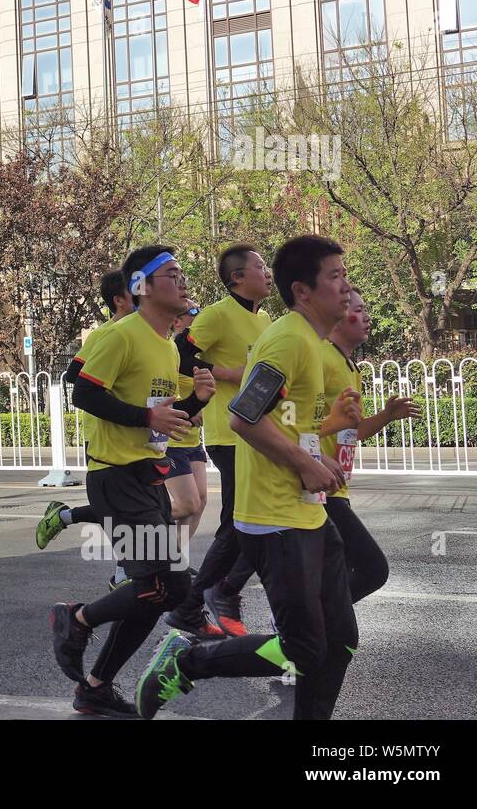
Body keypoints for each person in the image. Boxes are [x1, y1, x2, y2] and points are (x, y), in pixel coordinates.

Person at [136, 235, 359, 721]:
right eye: (336, 278)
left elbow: (290, 422)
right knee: (305, 649)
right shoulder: (287, 340)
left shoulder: (309, 340)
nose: (347, 289)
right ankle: (188, 660)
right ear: (303, 290)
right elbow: (243, 417)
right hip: (273, 519)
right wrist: (305, 465)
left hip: (307, 512)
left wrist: (322, 456)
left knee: (339, 643)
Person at [47, 246, 214, 717]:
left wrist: (196, 401)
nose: (183, 283)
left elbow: (159, 422)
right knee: (166, 586)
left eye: (183, 274)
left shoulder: (164, 345)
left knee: (164, 590)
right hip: (115, 478)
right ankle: (75, 618)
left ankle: (95, 686)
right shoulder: (120, 336)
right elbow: (82, 392)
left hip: (149, 478)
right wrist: (147, 414)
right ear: (142, 286)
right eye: (173, 275)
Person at [165, 244, 275, 638]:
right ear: (236, 278)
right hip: (230, 434)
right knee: (238, 523)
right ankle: (206, 598)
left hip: (260, 433)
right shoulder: (216, 315)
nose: (267, 272)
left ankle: (200, 602)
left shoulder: (267, 321)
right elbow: (179, 354)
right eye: (260, 266)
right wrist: (228, 372)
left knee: (251, 521)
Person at [319, 289, 419, 602]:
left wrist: (387, 416)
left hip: (336, 487)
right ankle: (304, 623)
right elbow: (285, 423)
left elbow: (354, 430)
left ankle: (307, 626)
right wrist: (317, 458)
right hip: (315, 486)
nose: (367, 317)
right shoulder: (320, 358)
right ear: (337, 315)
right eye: (359, 310)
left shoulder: (349, 366)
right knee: (372, 568)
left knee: (336, 569)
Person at [36, 269, 135, 550]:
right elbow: (73, 376)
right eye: (135, 290)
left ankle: (65, 517)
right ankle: (129, 572)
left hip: (147, 438)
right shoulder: (104, 335)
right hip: (105, 434)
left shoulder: (154, 335)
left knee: (139, 507)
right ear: (119, 300)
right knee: (117, 506)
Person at [164, 301, 210, 554]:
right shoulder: (170, 352)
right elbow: (162, 397)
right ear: (177, 321)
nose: (198, 316)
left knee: (201, 501)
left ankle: (172, 558)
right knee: (186, 505)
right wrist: (191, 410)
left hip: (192, 441)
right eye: (193, 312)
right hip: (171, 442)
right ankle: (137, 518)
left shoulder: (197, 355)